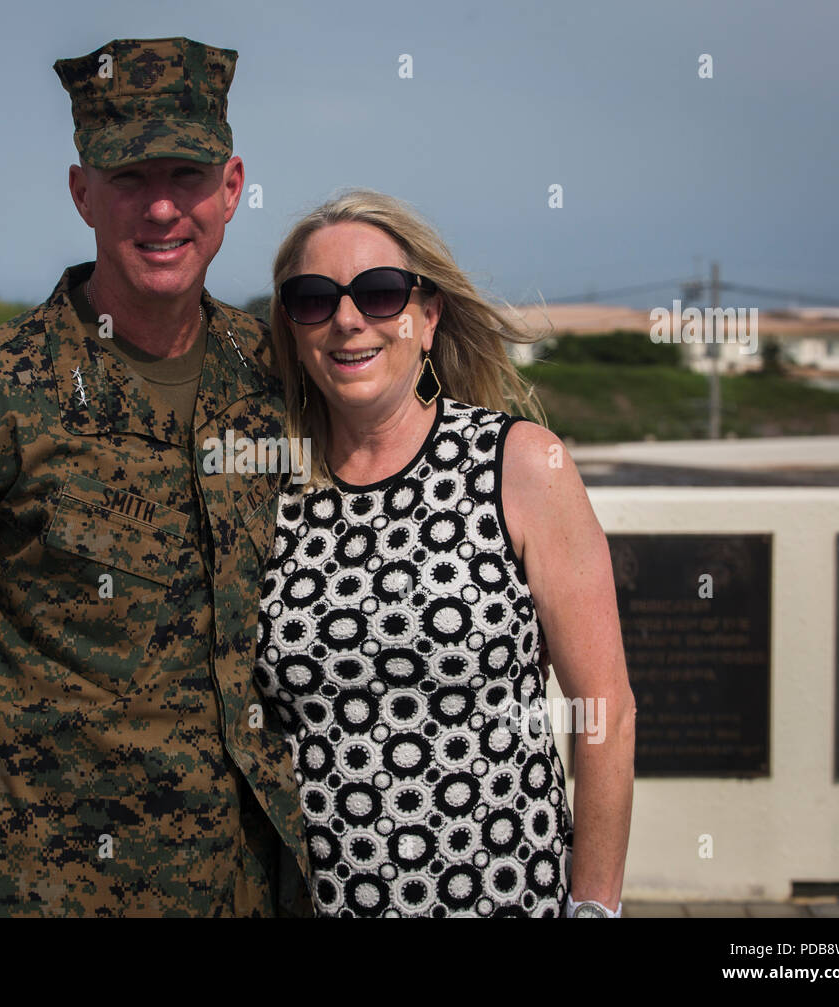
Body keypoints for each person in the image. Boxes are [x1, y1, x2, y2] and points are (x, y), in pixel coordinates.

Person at [0, 36, 310, 917]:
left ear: (232, 187)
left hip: (254, 879)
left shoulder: (280, 376)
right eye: (130, 179)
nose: (162, 208)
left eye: (186, 174)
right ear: (81, 193)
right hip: (46, 887)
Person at [256, 189, 635, 917]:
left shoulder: (521, 465)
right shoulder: (271, 490)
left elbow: (606, 710)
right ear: (292, 327)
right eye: (313, 298)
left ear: (427, 317)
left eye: (379, 292)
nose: (346, 318)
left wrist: (594, 908)